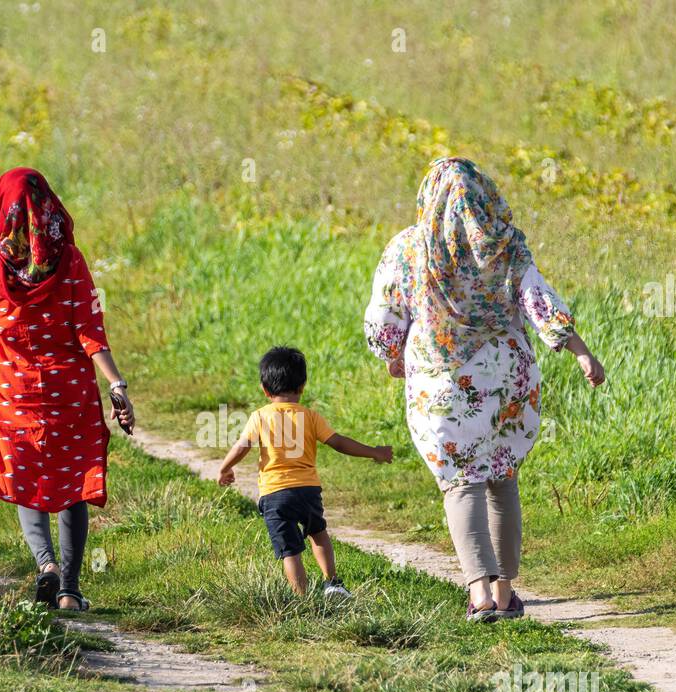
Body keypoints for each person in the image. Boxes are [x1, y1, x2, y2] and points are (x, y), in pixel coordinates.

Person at [364, 157, 605, 622]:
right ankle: (506, 592)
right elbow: (538, 299)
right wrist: (580, 351)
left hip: (443, 384)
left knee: (461, 483)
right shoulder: (505, 246)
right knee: (502, 476)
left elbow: (385, 316)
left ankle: (478, 595)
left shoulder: (409, 249)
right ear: (485, 194)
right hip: (508, 380)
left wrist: (393, 355)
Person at [0, 167, 135, 611]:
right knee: (72, 484)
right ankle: (70, 591)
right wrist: (116, 385)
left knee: (26, 479)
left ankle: (46, 567)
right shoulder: (71, 262)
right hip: (69, 394)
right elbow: (90, 331)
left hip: (11, 394)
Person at [219, 346, 393, 597]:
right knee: (318, 533)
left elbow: (242, 446)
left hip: (275, 494)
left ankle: (302, 599)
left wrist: (225, 468)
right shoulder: (310, 416)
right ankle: (332, 582)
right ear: (302, 386)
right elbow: (339, 442)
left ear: (265, 390)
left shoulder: (259, 416)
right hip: (308, 490)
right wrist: (374, 452)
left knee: (290, 550)